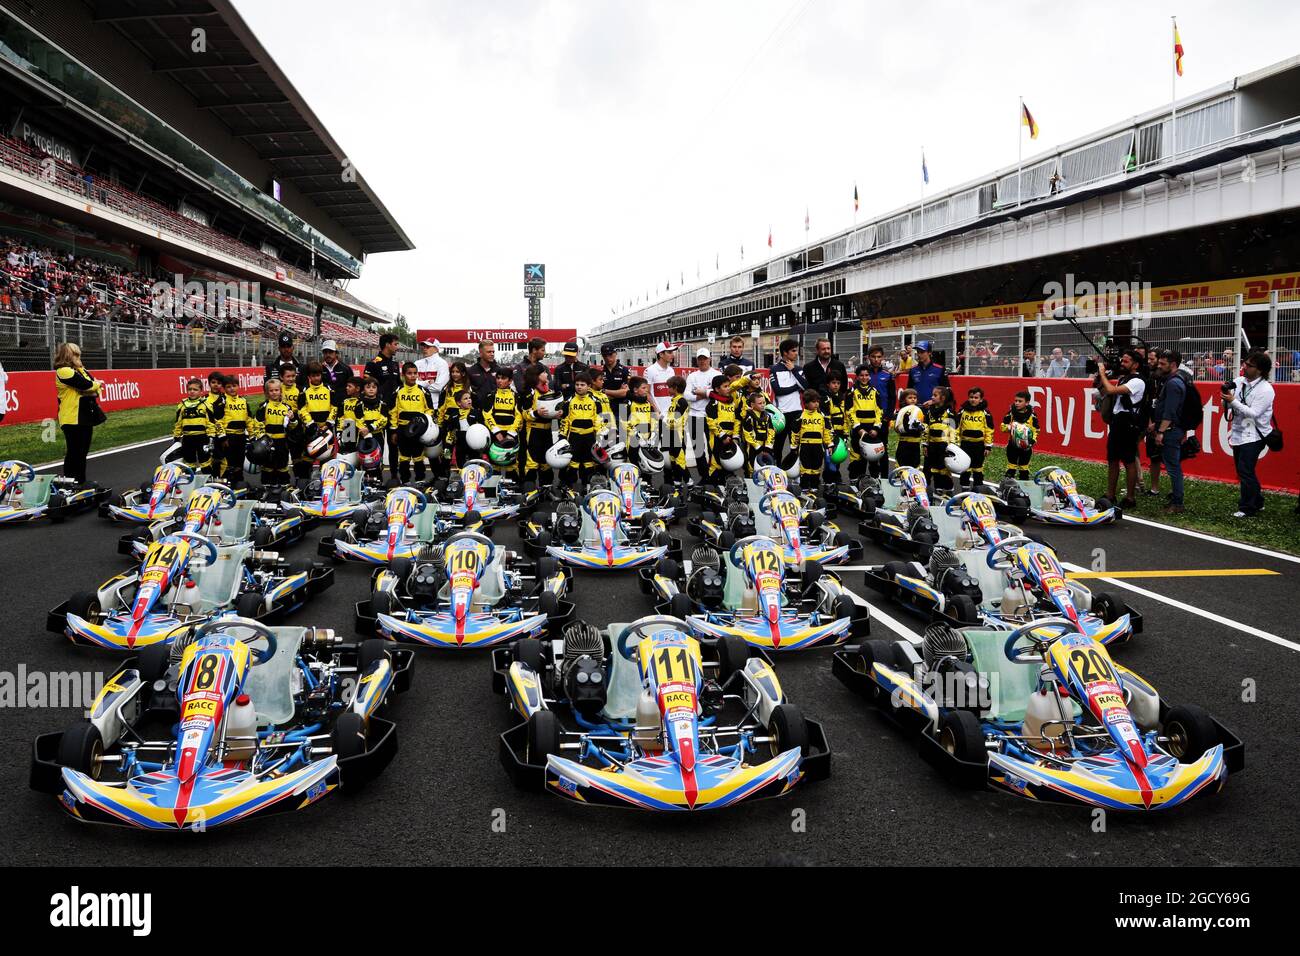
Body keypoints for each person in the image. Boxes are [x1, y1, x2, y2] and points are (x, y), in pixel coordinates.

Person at [1223, 351, 1276, 518]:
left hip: (1255, 436)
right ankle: (1257, 501)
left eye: (1249, 365)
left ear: (1260, 370)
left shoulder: (1266, 389)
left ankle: (1247, 507)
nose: (1244, 366)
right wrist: (1226, 400)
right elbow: (1230, 404)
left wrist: (1232, 401)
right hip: (1238, 433)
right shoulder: (1239, 381)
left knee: (1245, 470)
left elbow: (1254, 413)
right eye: (1245, 363)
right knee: (1244, 470)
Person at [1094, 350, 1147, 509]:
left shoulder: (1138, 381)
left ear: (1135, 365)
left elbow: (1112, 391)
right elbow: (1107, 393)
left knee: (1129, 461)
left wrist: (1103, 373)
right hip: (1117, 421)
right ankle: (1110, 494)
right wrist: (1100, 380)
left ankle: (1130, 497)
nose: (1122, 364)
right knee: (1112, 459)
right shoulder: (1124, 378)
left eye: (1126, 361)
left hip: (1128, 423)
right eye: (1122, 361)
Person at [53, 342, 102, 482]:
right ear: (69, 355)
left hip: (84, 415)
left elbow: (94, 390)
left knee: (82, 453)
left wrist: (93, 387)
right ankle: (70, 482)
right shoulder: (63, 371)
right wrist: (95, 385)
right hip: (72, 417)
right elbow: (87, 385)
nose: (79, 357)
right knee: (75, 452)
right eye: (76, 354)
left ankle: (80, 482)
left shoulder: (80, 370)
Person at [1152, 349, 1191, 514]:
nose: (1159, 366)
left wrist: (1161, 431)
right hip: (1171, 428)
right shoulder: (1173, 380)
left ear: (1173, 364)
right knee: (1173, 465)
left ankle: (1177, 502)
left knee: (1173, 467)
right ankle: (1176, 500)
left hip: (1171, 430)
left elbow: (1170, 411)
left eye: (1163, 364)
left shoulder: (1174, 383)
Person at [390, 361, 439, 484]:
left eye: (415, 373)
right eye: (409, 373)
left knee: (418, 457)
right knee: (404, 457)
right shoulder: (397, 391)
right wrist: (394, 430)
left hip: (419, 429)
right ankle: (405, 480)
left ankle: (420, 480)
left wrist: (426, 426)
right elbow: (393, 412)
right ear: (403, 375)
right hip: (403, 429)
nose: (413, 376)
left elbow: (430, 410)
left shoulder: (423, 391)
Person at [365, 332, 403, 477]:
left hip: (393, 412)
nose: (397, 347)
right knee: (376, 445)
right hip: (377, 412)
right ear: (387, 345)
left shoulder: (394, 364)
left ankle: (394, 476)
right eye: (395, 344)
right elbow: (366, 387)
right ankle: (375, 477)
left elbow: (399, 385)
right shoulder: (373, 363)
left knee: (393, 444)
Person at [559, 370, 603, 490]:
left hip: (589, 437)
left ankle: (587, 486)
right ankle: (569, 487)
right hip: (574, 436)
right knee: (573, 462)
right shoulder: (569, 400)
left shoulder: (595, 401)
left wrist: (600, 435)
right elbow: (565, 420)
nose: (579, 387)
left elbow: (598, 419)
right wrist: (562, 436)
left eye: (582, 385)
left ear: (589, 386)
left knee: (589, 462)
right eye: (577, 384)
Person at [518, 365, 559, 492]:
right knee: (532, 462)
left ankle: (546, 491)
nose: (547, 374)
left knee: (546, 462)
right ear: (537, 376)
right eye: (544, 373)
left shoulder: (550, 391)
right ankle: (529, 492)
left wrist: (559, 413)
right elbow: (524, 414)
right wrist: (536, 413)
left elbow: (556, 408)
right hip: (533, 431)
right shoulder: (528, 393)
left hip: (547, 431)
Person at [250, 378, 296, 488]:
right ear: (266, 392)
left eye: (276, 390)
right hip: (268, 442)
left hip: (282, 441)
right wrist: (262, 438)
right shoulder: (264, 406)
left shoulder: (287, 407)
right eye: (271, 391)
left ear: (281, 391)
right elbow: (257, 423)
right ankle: (267, 486)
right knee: (268, 465)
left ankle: (284, 485)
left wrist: (293, 419)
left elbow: (292, 426)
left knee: (282, 464)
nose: (274, 393)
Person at [770, 338, 807, 462]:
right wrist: (796, 387)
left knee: (795, 446)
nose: (796, 353)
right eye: (793, 351)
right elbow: (778, 391)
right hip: (781, 414)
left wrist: (794, 370)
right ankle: (776, 472)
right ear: (785, 353)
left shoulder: (798, 369)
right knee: (777, 447)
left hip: (797, 413)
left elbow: (806, 387)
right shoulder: (774, 369)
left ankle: (796, 476)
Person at [846, 366, 884, 482]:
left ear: (870, 376)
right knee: (857, 456)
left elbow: (879, 411)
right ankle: (855, 481)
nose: (864, 377)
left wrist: (876, 428)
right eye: (861, 375)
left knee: (874, 456)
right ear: (857, 376)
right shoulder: (851, 392)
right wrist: (858, 428)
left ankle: (875, 480)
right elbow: (849, 411)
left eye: (866, 375)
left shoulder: (875, 391)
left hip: (872, 429)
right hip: (859, 429)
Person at [791, 389, 833, 491]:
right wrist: (794, 447)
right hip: (805, 446)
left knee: (817, 467)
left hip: (818, 446)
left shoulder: (822, 416)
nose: (816, 404)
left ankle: (814, 486)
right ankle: (804, 487)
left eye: (817, 401)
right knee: (805, 467)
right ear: (806, 403)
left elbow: (827, 431)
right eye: (813, 402)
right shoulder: (800, 416)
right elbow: (795, 433)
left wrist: (830, 444)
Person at [685, 348, 716, 480]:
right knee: (698, 450)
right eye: (700, 359)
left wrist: (700, 392)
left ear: (710, 359)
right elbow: (687, 394)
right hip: (695, 415)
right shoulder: (692, 376)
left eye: (705, 358)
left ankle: (714, 475)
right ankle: (704, 477)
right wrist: (702, 395)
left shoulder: (716, 374)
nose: (702, 361)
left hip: (711, 417)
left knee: (712, 447)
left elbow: (717, 394)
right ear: (697, 360)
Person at [704, 373, 742, 484]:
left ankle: (728, 487)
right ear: (716, 389)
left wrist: (735, 436)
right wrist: (723, 436)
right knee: (716, 463)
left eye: (728, 386)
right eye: (725, 386)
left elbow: (737, 420)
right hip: (717, 438)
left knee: (729, 463)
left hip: (730, 438)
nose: (728, 388)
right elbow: (712, 422)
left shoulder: (732, 403)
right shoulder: (713, 404)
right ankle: (712, 486)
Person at [956, 386, 995, 489]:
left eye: (976, 397)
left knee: (978, 469)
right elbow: (956, 428)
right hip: (965, 445)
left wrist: (988, 447)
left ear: (981, 399)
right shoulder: (962, 411)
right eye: (971, 397)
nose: (973, 399)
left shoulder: (985, 413)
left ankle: (978, 489)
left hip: (979, 445)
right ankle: (964, 490)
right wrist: (955, 443)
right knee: (965, 468)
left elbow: (989, 430)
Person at [174, 377, 216, 469]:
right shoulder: (182, 405)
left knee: (205, 462)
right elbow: (178, 423)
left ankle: (208, 482)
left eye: (195, 389)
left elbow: (211, 423)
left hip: (202, 438)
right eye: (189, 389)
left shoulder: (206, 404)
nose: (192, 391)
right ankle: (190, 482)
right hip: (187, 439)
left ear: (201, 391)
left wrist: (211, 436)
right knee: (189, 463)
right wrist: (176, 437)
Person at [923, 385, 957, 493]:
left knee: (944, 469)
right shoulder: (929, 412)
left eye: (935, 395)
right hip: (932, 445)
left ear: (942, 398)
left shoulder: (949, 412)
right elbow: (926, 429)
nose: (932, 397)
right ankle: (938, 489)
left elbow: (953, 430)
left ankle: (948, 489)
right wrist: (925, 444)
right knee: (935, 469)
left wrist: (952, 446)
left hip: (944, 446)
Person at [218, 375, 250, 486]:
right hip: (228, 437)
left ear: (238, 386)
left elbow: (249, 419)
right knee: (228, 463)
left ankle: (239, 483)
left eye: (234, 386)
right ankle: (226, 484)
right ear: (224, 388)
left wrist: (252, 435)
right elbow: (218, 421)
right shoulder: (222, 400)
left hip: (241, 436)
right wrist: (223, 437)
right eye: (228, 387)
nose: (232, 389)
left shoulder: (243, 400)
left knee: (239, 461)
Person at [1001, 391, 1040, 480]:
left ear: (1027, 403)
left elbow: (1036, 430)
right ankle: (1008, 487)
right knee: (1011, 468)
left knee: (1024, 470)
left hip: (1026, 447)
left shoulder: (1032, 415)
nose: (1017, 403)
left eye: (1020, 401)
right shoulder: (1011, 413)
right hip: (1012, 445)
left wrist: (1033, 440)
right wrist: (1009, 427)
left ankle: (1024, 488)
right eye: (1016, 401)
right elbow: (1002, 427)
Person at [625, 376, 657, 470]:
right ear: (635, 390)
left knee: (647, 463)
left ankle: (648, 483)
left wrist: (653, 434)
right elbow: (624, 422)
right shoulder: (628, 402)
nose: (646, 390)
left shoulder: (647, 403)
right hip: (634, 440)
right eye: (643, 388)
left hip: (647, 439)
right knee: (634, 463)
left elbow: (653, 419)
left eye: (647, 388)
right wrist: (635, 434)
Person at [663, 376, 690, 486]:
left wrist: (663, 419)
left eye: (669, 387)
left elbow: (676, 421)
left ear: (675, 388)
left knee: (680, 460)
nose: (667, 389)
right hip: (671, 434)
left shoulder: (682, 401)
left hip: (678, 435)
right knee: (673, 459)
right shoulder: (674, 401)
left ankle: (683, 484)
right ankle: (684, 482)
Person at [741, 390, 776, 474]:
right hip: (753, 447)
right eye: (760, 403)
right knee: (752, 467)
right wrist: (758, 447)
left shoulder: (767, 416)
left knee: (767, 468)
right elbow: (747, 434)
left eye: (764, 403)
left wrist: (768, 446)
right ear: (752, 405)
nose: (763, 405)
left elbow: (771, 431)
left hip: (766, 447)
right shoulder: (749, 417)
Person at [907, 339, 949, 405]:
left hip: (934, 408)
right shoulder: (913, 370)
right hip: (917, 408)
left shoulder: (940, 369)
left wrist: (933, 402)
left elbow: (947, 391)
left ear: (929, 352)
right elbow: (909, 391)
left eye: (922, 352)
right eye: (918, 352)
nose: (919, 354)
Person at [466, 340, 505, 410]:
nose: (492, 354)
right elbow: (465, 391)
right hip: (477, 411)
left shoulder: (500, 370)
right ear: (481, 353)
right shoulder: (471, 371)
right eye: (489, 352)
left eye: (493, 352)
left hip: (496, 411)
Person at [644, 342, 678, 421]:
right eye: (669, 352)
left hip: (670, 415)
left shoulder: (671, 371)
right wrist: (655, 409)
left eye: (672, 352)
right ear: (661, 354)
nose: (672, 355)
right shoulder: (650, 370)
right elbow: (646, 392)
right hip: (656, 415)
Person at [893, 389, 925, 468]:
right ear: (904, 399)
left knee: (914, 466)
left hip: (915, 444)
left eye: (915, 397)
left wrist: (920, 427)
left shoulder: (918, 410)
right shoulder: (901, 411)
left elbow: (922, 426)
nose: (913, 399)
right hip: (903, 443)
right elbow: (897, 428)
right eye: (910, 397)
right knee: (901, 465)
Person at [598, 344, 630, 418]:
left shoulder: (625, 370)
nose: (608, 358)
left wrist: (604, 391)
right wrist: (618, 392)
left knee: (622, 429)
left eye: (610, 355)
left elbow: (625, 392)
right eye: (605, 355)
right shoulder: (599, 371)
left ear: (615, 354)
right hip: (604, 406)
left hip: (622, 407)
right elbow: (596, 393)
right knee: (606, 429)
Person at [320, 339, 354, 406]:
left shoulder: (346, 369)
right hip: (324, 405)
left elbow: (352, 387)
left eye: (330, 352)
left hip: (342, 405)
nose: (328, 355)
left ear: (336, 353)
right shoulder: (319, 369)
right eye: (325, 352)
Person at [415, 338, 449, 403]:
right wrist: (427, 382)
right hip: (418, 404)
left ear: (436, 349)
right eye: (424, 346)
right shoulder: (417, 363)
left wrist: (418, 384)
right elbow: (411, 383)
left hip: (435, 405)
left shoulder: (442, 363)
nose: (424, 349)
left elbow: (438, 387)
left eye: (428, 347)